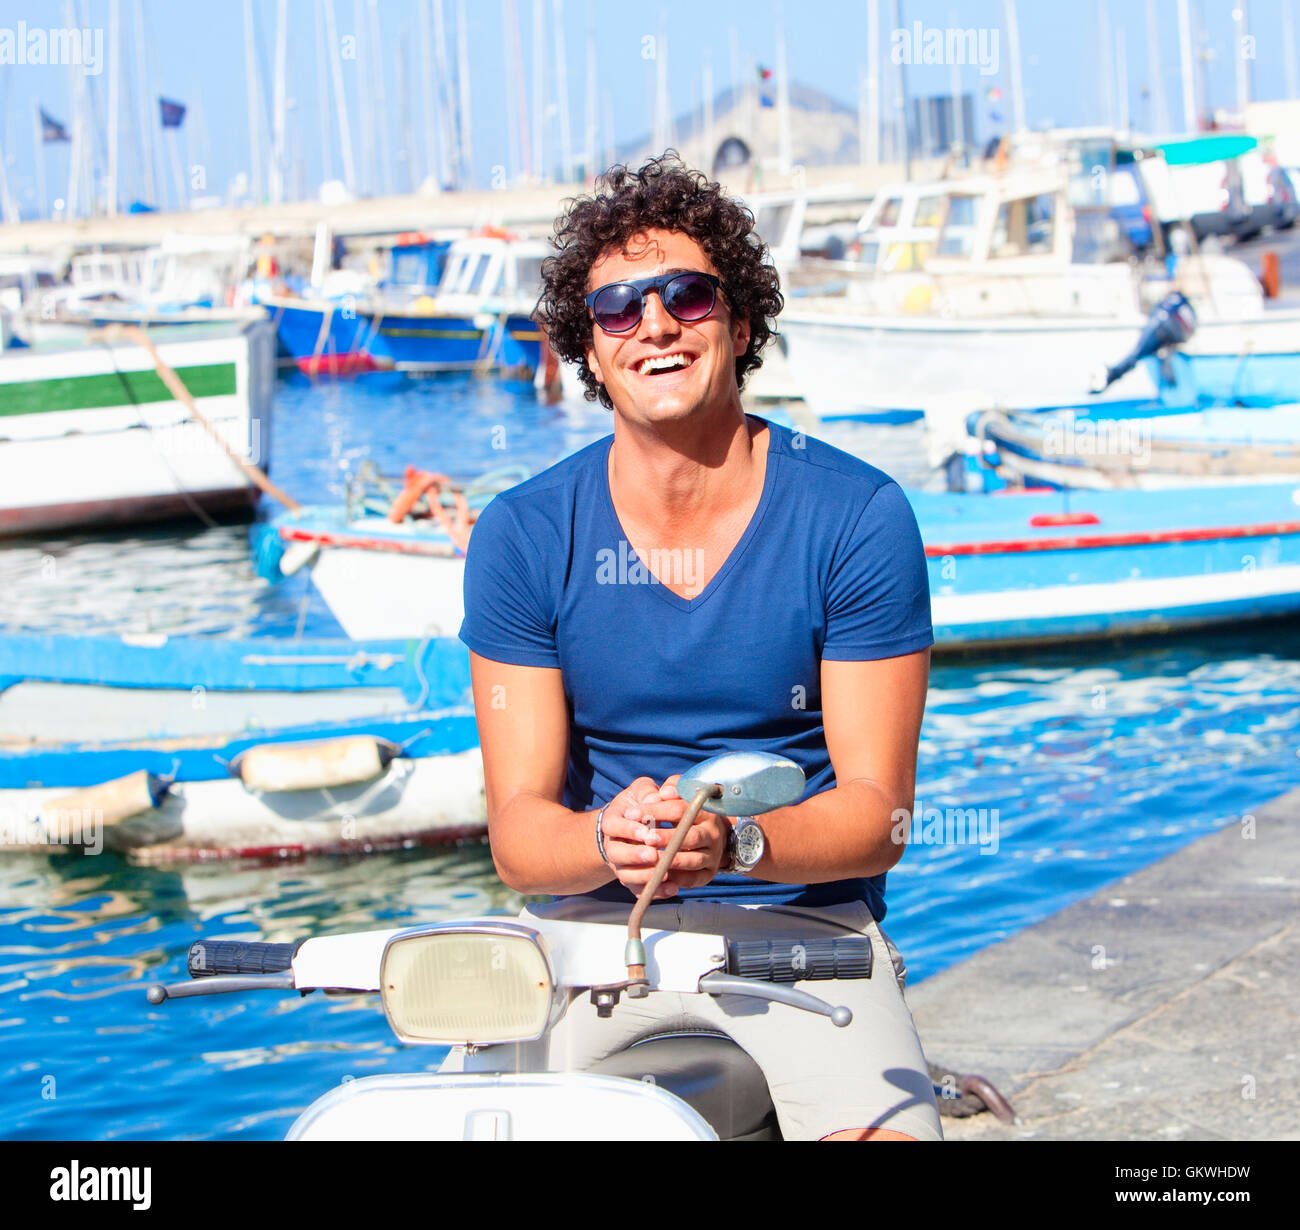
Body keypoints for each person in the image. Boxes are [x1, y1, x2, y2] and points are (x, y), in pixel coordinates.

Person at [454, 154, 941, 1141]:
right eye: (618, 310)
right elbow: (518, 836)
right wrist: (603, 841)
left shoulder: (855, 517)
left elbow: (877, 818)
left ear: (743, 322)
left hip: (801, 931)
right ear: (588, 353)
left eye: (686, 295)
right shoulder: (523, 535)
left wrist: (734, 844)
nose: (656, 324)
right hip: (591, 938)